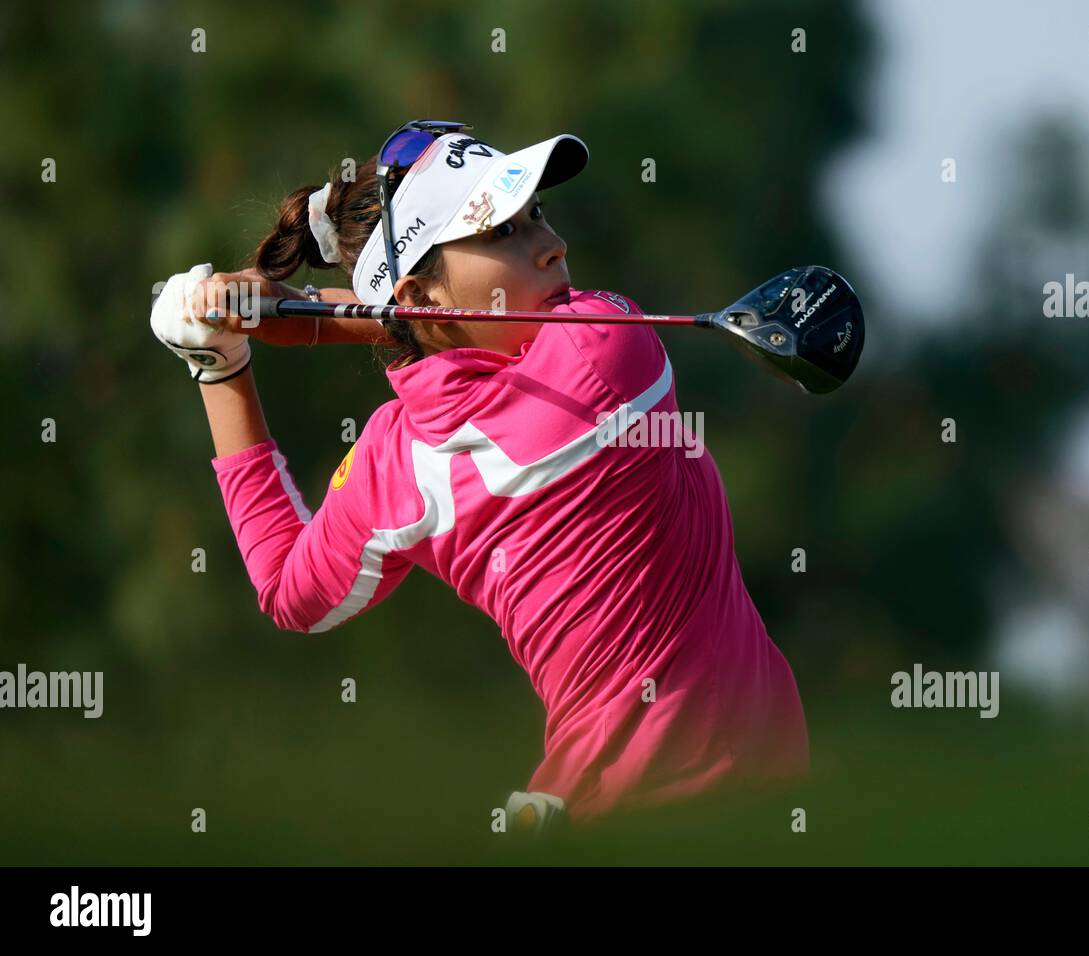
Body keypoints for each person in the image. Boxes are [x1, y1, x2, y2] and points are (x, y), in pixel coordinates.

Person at [149, 121, 809, 828]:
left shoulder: (392, 464)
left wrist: (219, 367)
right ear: (422, 294)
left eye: (538, 216)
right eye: (502, 233)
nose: (552, 246)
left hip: (591, 812)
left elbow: (287, 587)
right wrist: (305, 317)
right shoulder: (608, 356)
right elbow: (421, 326)